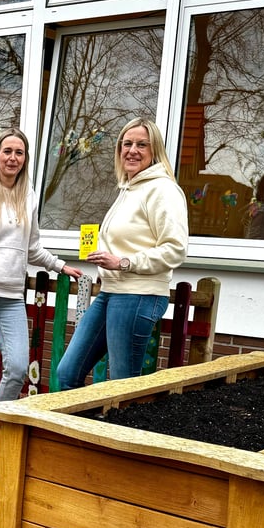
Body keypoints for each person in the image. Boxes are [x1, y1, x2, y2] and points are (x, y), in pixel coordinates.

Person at [0, 127, 81, 457]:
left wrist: (59, 265)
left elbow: (31, 247)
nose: (12, 158)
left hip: (11, 296)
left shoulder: (29, 196)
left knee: (18, 366)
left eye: (19, 153)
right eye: (7, 151)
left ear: (25, 160)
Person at [56, 117, 188, 389]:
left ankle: (122, 431)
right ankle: (82, 431)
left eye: (142, 144)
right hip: (112, 293)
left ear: (155, 151)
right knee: (68, 372)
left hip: (138, 295)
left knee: (121, 385)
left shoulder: (163, 190)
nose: (132, 150)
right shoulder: (129, 189)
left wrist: (124, 262)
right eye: (126, 144)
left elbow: (175, 249)